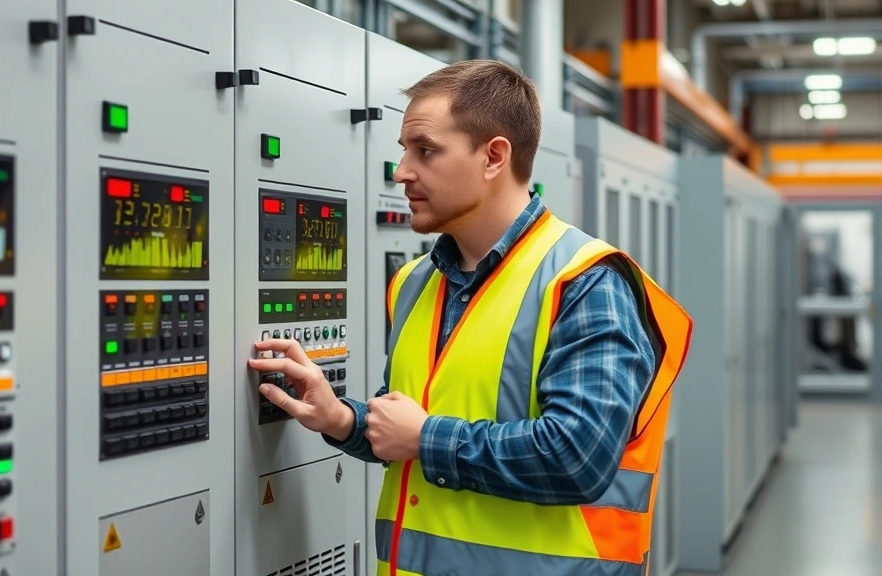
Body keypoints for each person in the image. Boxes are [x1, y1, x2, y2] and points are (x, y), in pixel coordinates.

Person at [248, 59, 693, 576]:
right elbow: (408, 427)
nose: (402, 171)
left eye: (425, 150)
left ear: (493, 157)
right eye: (403, 150)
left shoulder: (584, 282)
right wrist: (344, 419)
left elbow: (578, 456)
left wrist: (425, 437)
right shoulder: (416, 282)